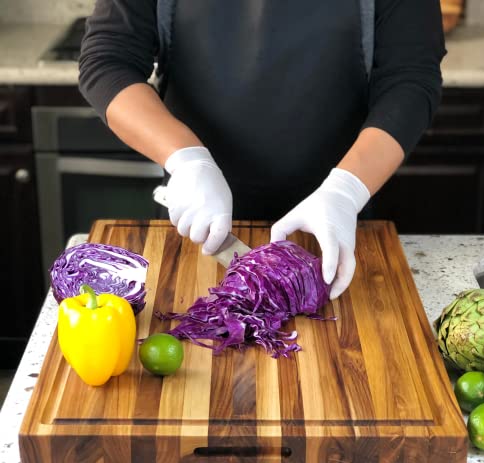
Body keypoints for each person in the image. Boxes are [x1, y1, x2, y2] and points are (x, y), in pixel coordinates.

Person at [79, 0, 446, 299]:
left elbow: (410, 78)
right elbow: (108, 60)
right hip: (197, 227)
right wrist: (187, 161)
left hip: (338, 228)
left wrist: (347, 190)